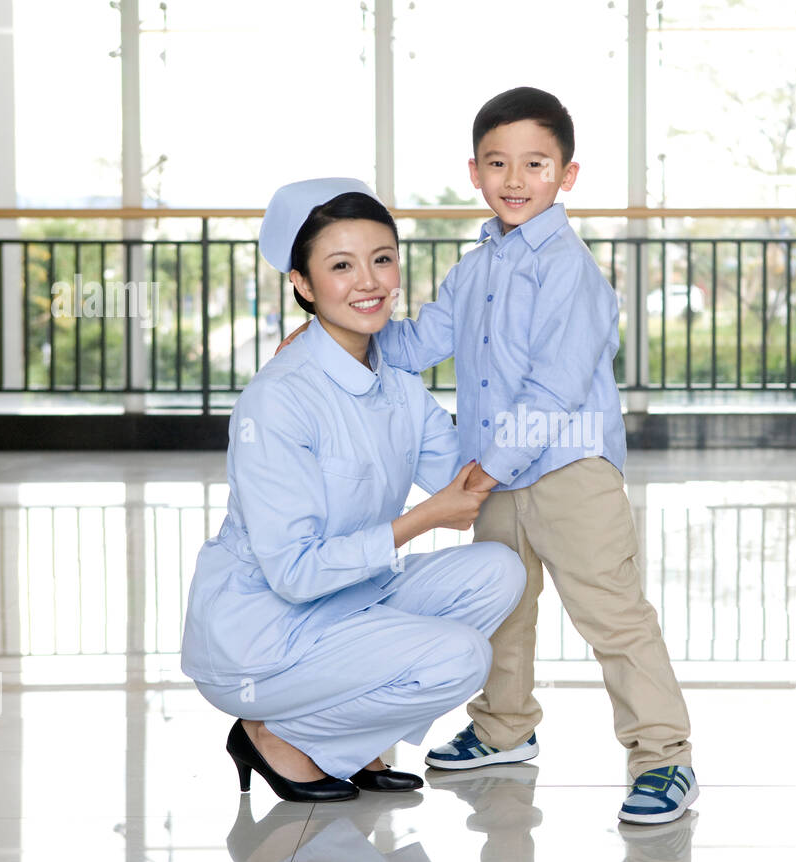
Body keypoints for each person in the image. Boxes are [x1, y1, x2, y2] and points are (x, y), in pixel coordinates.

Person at [280, 90, 698, 825]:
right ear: (474, 170)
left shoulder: (570, 271)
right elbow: (417, 341)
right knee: (505, 608)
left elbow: (554, 388)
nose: (515, 179)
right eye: (498, 163)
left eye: (535, 164)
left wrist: (489, 468)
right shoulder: (475, 271)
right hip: (499, 476)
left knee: (613, 614)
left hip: (569, 470)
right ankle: (506, 728)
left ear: (567, 175)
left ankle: (663, 756)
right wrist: (325, 335)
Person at [180, 177, 526, 803]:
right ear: (303, 285)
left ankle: (354, 742)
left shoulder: (393, 382)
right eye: (341, 266)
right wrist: (423, 519)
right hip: (264, 636)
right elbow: (295, 573)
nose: (369, 282)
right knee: (460, 657)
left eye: (382, 260)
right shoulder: (279, 399)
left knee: (498, 570)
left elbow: (463, 476)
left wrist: (540, 394)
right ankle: (275, 736)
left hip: (350, 600)